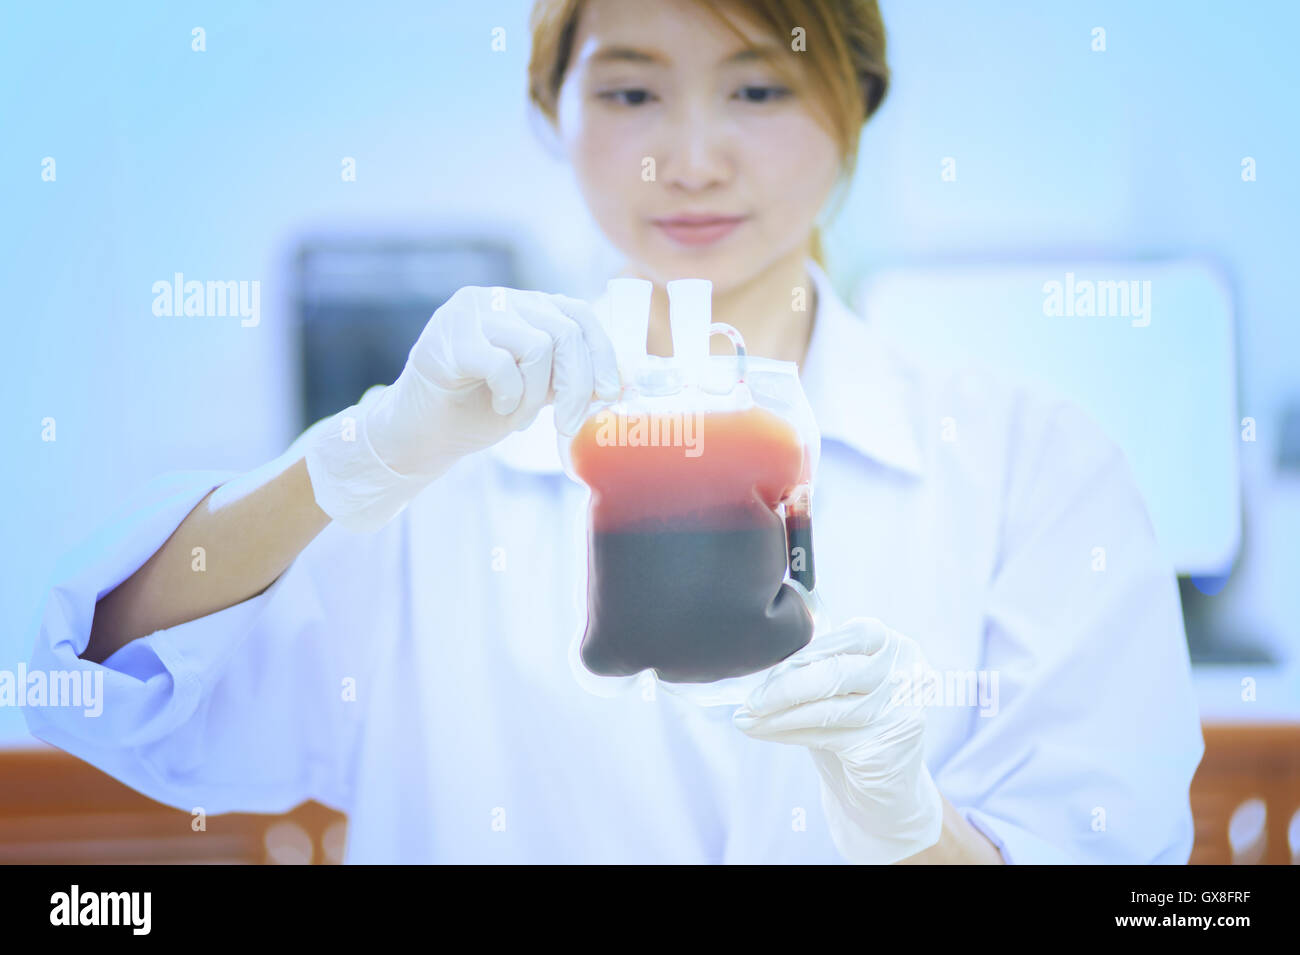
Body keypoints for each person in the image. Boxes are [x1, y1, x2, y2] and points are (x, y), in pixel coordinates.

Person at [25, 0, 1203, 864]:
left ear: (856, 108)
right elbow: (101, 677)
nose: (688, 158)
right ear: (552, 110)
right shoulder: (443, 458)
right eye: (630, 90)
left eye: (759, 86)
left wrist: (913, 829)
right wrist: (352, 459)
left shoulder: (1029, 467)